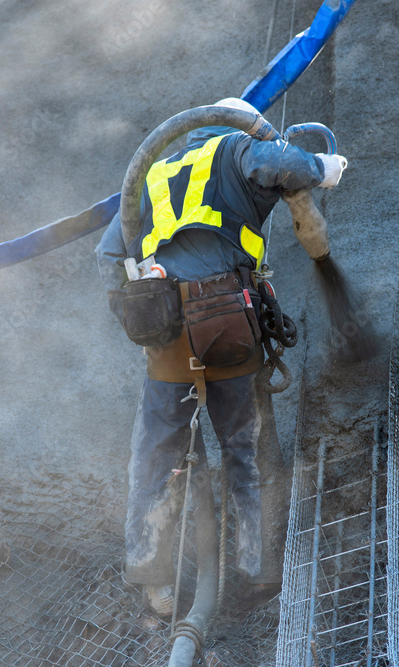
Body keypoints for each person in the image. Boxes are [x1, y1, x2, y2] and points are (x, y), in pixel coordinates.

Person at [95, 97, 347, 617]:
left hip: (166, 334)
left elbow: (107, 257)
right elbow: (275, 163)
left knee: (155, 456)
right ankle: (254, 575)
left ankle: (152, 580)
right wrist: (324, 168)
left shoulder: (154, 173)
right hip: (229, 325)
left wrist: (142, 306)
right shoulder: (236, 148)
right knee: (247, 451)